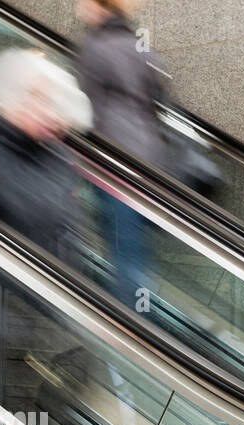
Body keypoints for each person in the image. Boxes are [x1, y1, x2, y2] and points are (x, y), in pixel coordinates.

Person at [0, 49, 93, 272]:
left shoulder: (59, 157)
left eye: (53, 103)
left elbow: (72, 231)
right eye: (39, 99)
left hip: (60, 290)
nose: (51, 114)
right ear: (11, 99)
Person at [75, 0, 162, 312]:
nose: (79, 7)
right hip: (146, 165)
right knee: (135, 252)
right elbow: (156, 105)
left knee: (122, 253)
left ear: (101, 8)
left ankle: (133, 337)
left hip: (111, 167)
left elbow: (86, 113)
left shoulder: (95, 48)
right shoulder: (140, 47)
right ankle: (146, 319)